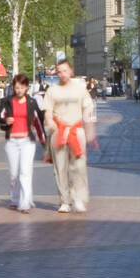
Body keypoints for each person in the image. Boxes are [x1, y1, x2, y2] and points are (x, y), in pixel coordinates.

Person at [42, 59, 97, 213]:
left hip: (76, 131)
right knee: (60, 167)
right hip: (59, 132)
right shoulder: (52, 90)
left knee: (79, 167)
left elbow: (88, 108)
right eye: (59, 71)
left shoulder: (80, 89)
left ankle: (78, 198)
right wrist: (50, 122)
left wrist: (90, 128)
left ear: (71, 71)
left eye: (65, 70)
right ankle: (64, 201)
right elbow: (47, 111)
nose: (62, 74)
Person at [0, 73, 45, 214]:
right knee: (14, 173)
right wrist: (5, 121)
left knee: (25, 172)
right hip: (12, 141)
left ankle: (25, 203)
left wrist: (44, 142)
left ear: (26, 88)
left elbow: (38, 122)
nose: (19, 90)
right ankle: (14, 198)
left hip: (27, 141)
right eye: (16, 87)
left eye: (21, 87)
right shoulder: (7, 101)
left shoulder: (31, 103)